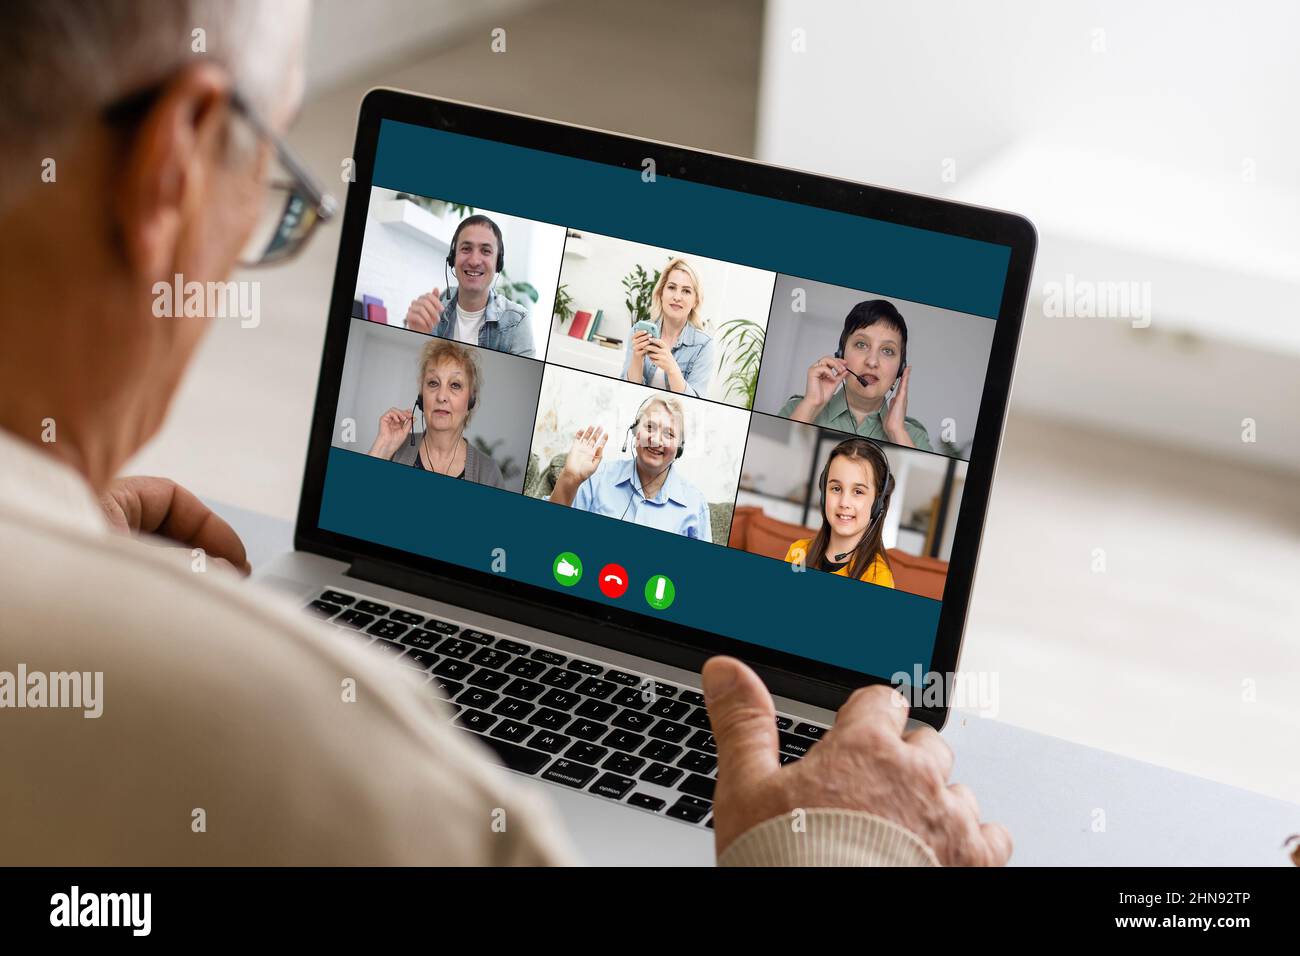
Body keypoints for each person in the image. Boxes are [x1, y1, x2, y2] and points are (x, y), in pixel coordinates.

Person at [0, 0, 1010, 866]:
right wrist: (838, 848)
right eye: (264, 169)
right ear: (174, 167)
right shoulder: (343, 777)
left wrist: (63, 561)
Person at [545, 396, 712, 542]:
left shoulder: (695, 504)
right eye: (650, 427)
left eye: (669, 434)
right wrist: (569, 478)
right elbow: (548, 532)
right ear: (634, 432)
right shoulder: (596, 477)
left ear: (679, 449)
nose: (655, 440)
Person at [780, 299, 931, 450]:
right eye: (861, 344)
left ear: (900, 369)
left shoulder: (913, 437)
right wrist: (811, 405)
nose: (872, 362)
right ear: (841, 354)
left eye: (887, 350)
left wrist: (897, 432)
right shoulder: (797, 409)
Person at [366, 339, 505, 488]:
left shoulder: (488, 472)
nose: (441, 396)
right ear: (421, 397)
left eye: (455, 385)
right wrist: (383, 449)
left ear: (470, 401)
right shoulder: (394, 450)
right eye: (433, 383)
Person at [402, 214, 536, 358]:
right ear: (453, 258)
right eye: (466, 248)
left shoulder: (517, 321)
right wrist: (413, 332)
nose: (474, 261)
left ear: (498, 263)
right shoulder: (432, 308)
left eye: (485, 251)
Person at [785, 438, 896, 588]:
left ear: (877, 503)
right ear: (824, 493)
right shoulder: (798, 551)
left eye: (858, 491)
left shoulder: (877, 577)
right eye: (836, 488)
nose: (844, 503)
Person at [621, 257, 716, 398]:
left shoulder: (704, 345)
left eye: (686, 291)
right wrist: (637, 358)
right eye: (671, 287)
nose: (677, 297)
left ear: (695, 300)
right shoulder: (638, 331)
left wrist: (672, 369)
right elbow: (626, 392)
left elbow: (695, 404)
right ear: (661, 293)